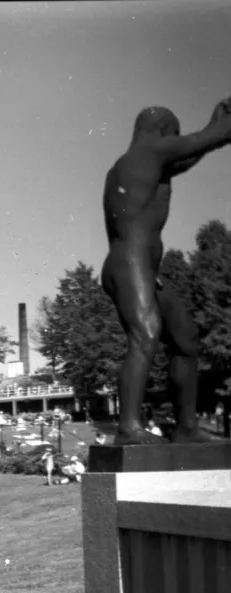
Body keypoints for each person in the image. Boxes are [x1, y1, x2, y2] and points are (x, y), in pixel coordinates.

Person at [100, 99, 231, 445]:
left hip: (144, 268)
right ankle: (128, 427)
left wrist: (212, 125)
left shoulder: (144, 163)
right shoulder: (144, 154)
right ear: (162, 132)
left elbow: (189, 154)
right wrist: (218, 124)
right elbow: (207, 140)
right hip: (130, 262)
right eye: (175, 135)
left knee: (185, 337)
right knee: (147, 332)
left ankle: (186, 429)